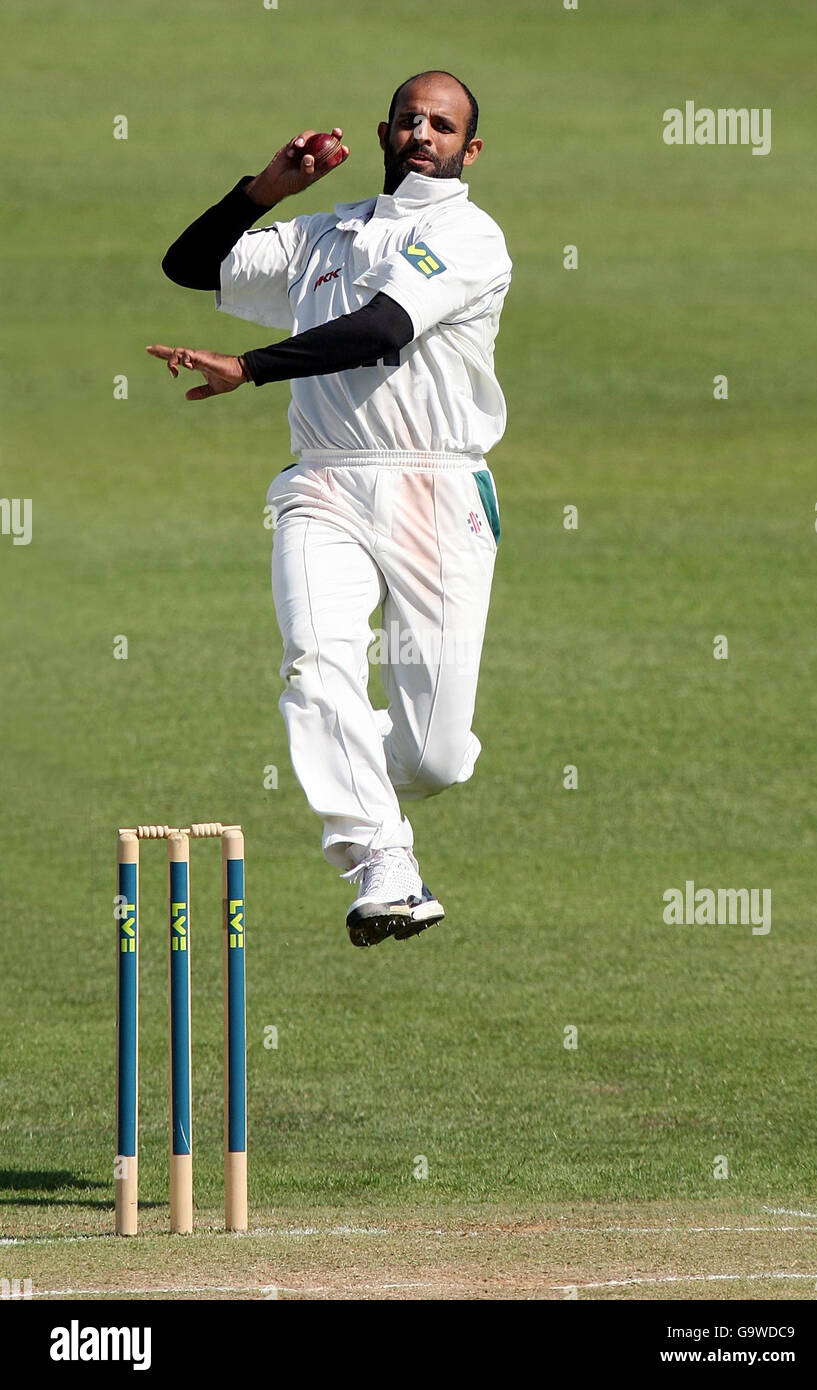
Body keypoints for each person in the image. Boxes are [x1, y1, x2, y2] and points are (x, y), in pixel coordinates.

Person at [149, 69, 512, 947]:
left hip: (437, 484)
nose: (422, 133)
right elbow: (190, 267)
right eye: (408, 120)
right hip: (322, 483)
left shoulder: (470, 236)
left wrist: (253, 366)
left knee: (430, 756)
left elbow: (383, 329)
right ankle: (380, 861)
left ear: (470, 148)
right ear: (382, 132)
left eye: (441, 124)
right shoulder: (327, 230)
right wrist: (266, 191)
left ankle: (371, 756)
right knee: (317, 664)